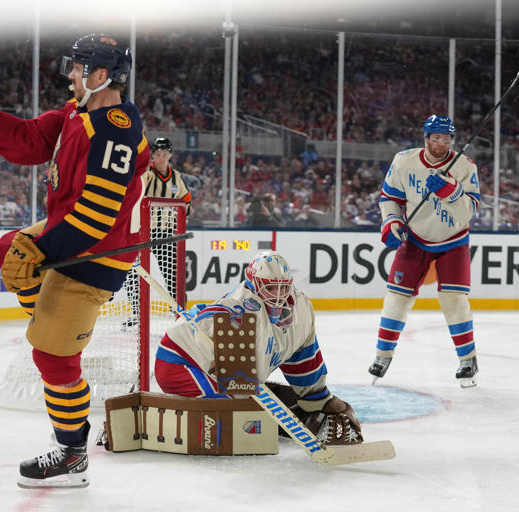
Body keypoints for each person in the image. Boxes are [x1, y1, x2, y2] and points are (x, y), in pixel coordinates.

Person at [0, 33, 148, 488]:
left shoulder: (115, 127)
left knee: (50, 355)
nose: (70, 75)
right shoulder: (76, 112)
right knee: (11, 248)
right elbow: (30, 140)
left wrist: (44, 254)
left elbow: (97, 213)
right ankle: (53, 319)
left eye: (77, 68)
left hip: (98, 251)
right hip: (72, 232)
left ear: (101, 75)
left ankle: (72, 454)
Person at [154, 250, 363, 445]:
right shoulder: (241, 310)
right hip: (179, 361)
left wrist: (319, 398)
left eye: (283, 287)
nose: (278, 295)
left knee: (248, 410)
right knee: (229, 424)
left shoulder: (300, 308)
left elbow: (304, 359)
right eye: (270, 288)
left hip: (223, 372)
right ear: (253, 285)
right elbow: (206, 317)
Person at [368, 115, 481, 388]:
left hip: (453, 239)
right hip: (415, 238)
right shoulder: (404, 160)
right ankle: (383, 356)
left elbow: (470, 210)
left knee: (454, 301)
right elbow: (390, 198)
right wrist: (391, 222)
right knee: (397, 298)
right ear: (426, 137)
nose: (441, 144)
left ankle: (468, 359)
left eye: (446, 139)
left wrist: (451, 192)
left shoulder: (464, 166)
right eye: (436, 138)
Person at [122, 137, 191, 328]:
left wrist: (182, 218)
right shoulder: (146, 174)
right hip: (142, 232)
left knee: (173, 274)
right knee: (134, 272)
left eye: (164, 154)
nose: (160, 158)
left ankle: (179, 312)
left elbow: (186, 200)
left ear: (170, 155)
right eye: (157, 154)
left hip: (166, 232)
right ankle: (137, 313)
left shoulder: (176, 177)